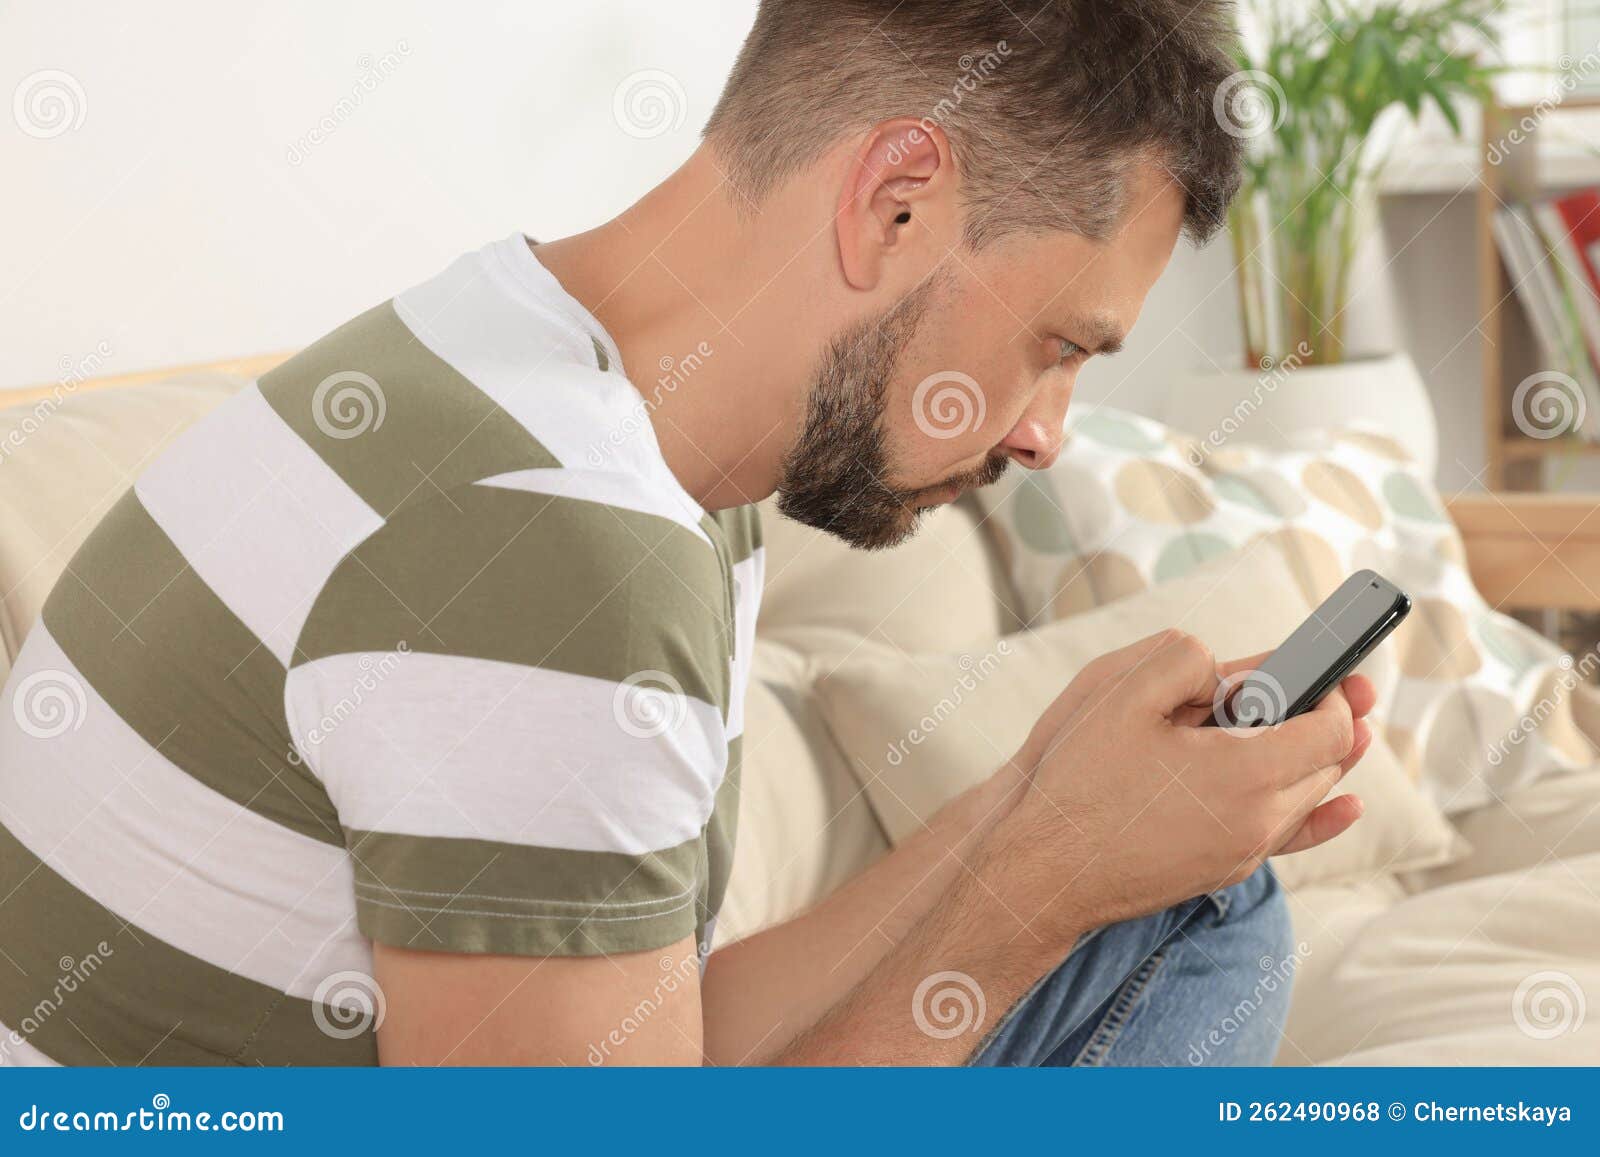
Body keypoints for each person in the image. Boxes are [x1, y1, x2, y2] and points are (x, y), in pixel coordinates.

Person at [0, 0, 1375, 1067]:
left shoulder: (532, 373)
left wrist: (1034, 801)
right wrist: (1039, 881)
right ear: (896, 202)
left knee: (1187, 895)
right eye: (1057, 345)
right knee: (1208, 922)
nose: (1043, 433)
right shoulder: (562, 552)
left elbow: (667, 1039)